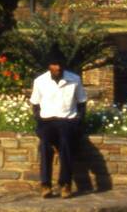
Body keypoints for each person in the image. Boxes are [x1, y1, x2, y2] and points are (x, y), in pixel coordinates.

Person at [30, 52, 88, 199]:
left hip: (67, 120)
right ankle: (45, 184)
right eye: (54, 65)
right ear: (49, 66)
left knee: (66, 143)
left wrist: (78, 120)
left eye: (60, 65)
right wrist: (39, 120)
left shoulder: (74, 80)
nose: (58, 68)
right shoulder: (40, 81)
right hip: (47, 120)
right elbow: (35, 104)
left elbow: (82, 102)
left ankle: (65, 183)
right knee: (44, 145)